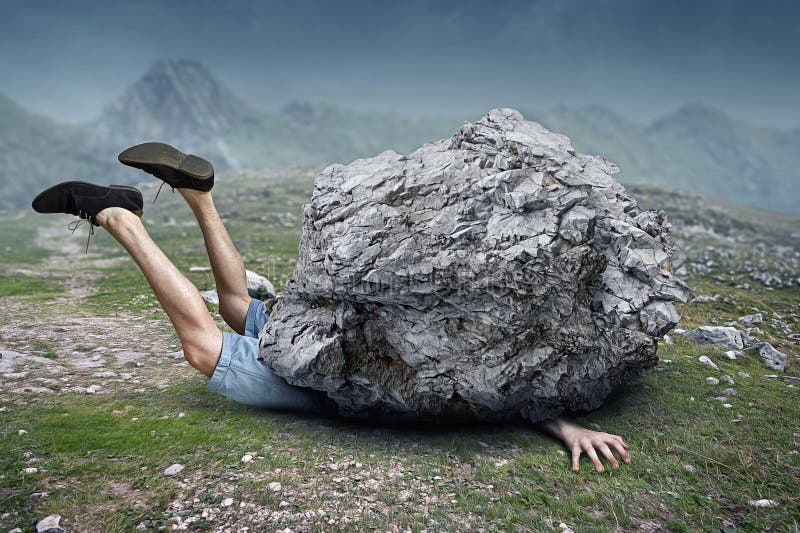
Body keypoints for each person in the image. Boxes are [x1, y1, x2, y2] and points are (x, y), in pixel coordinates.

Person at [32, 142, 631, 473]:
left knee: (240, 309)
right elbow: (510, 377)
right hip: (348, 370)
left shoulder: (484, 300)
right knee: (206, 346)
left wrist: (565, 422)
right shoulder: (505, 327)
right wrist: (564, 421)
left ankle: (195, 198)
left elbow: (508, 371)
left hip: (345, 329)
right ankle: (122, 217)